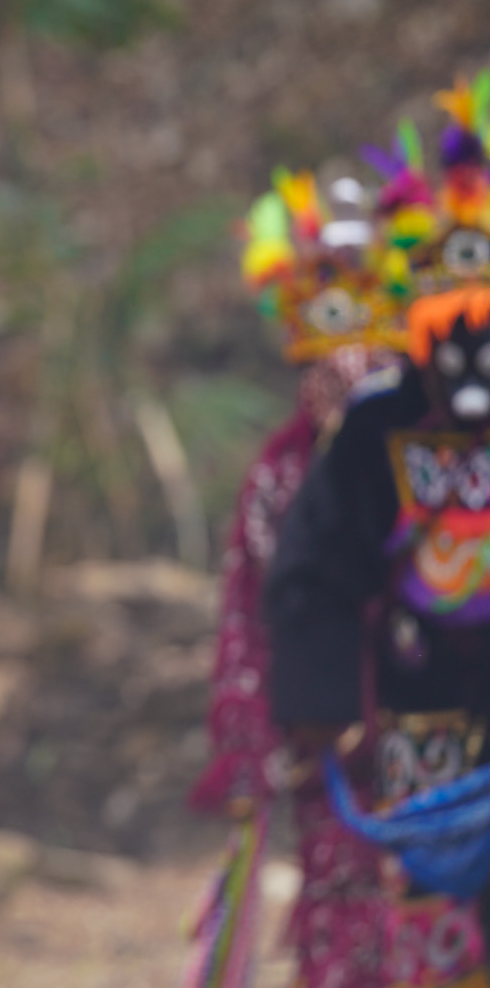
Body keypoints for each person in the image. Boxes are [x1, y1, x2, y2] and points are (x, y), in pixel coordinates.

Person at [265, 80, 490, 988]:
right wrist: (322, 706)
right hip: (419, 713)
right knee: (432, 922)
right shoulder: (375, 429)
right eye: (456, 335)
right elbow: (314, 568)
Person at [188, 163, 404, 988]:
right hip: (331, 741)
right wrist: (254, 752)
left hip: (442, 723)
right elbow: (252, 615)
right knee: (345, 903)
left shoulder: (445, 453)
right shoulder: (279, 479)